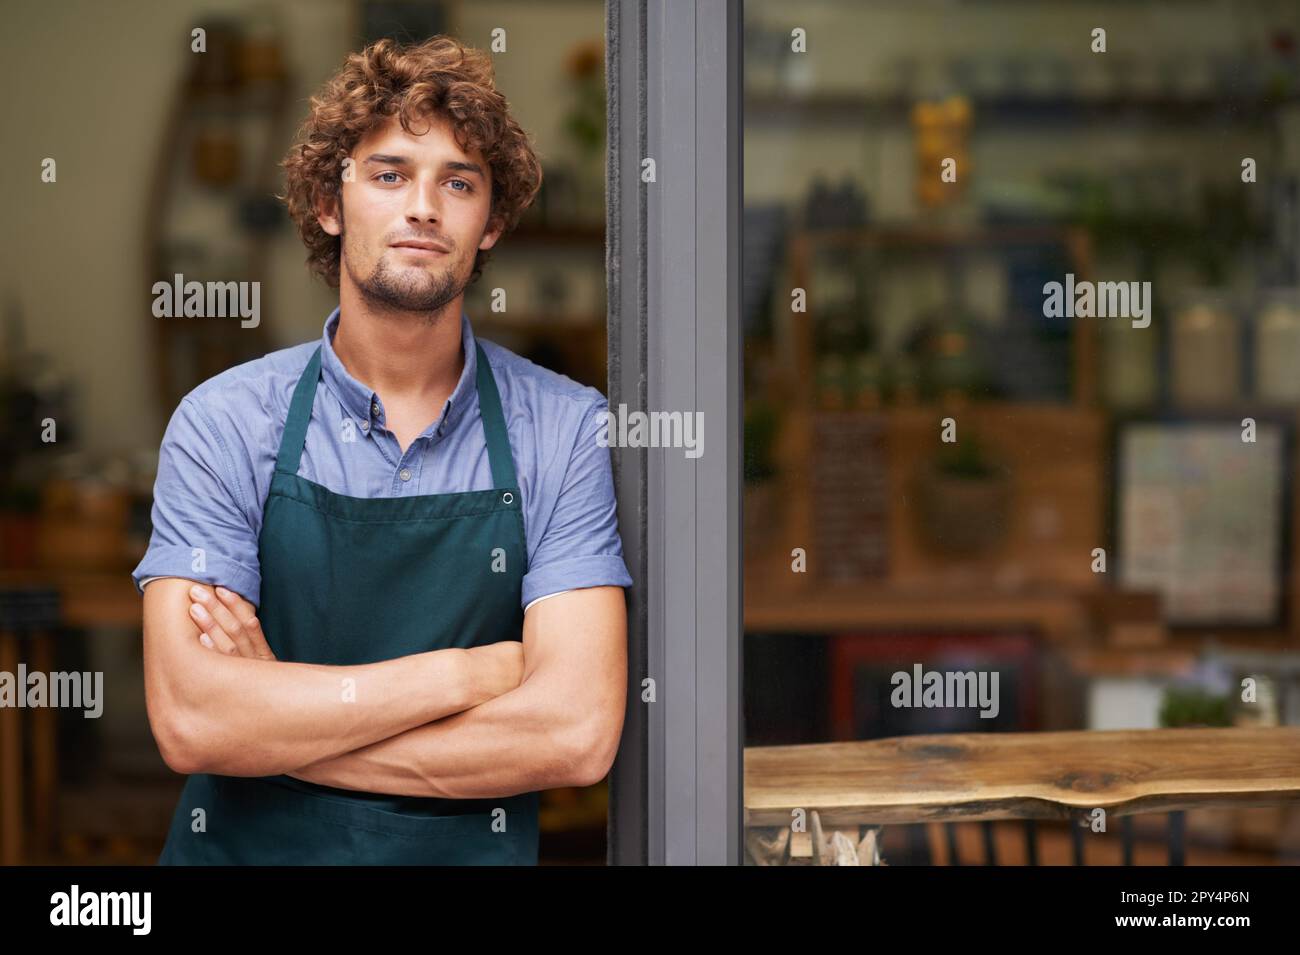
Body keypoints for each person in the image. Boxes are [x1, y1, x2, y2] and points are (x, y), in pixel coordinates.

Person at [132, 35, 632, 865]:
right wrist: (462, 678)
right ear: (332, 204)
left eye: (459, 182)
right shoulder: (223, 422)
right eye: (390, 173)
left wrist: (278, 728)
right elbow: (191, 721)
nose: (424, 207)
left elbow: (575, 734)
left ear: (493, 222)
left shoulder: (566, 429)